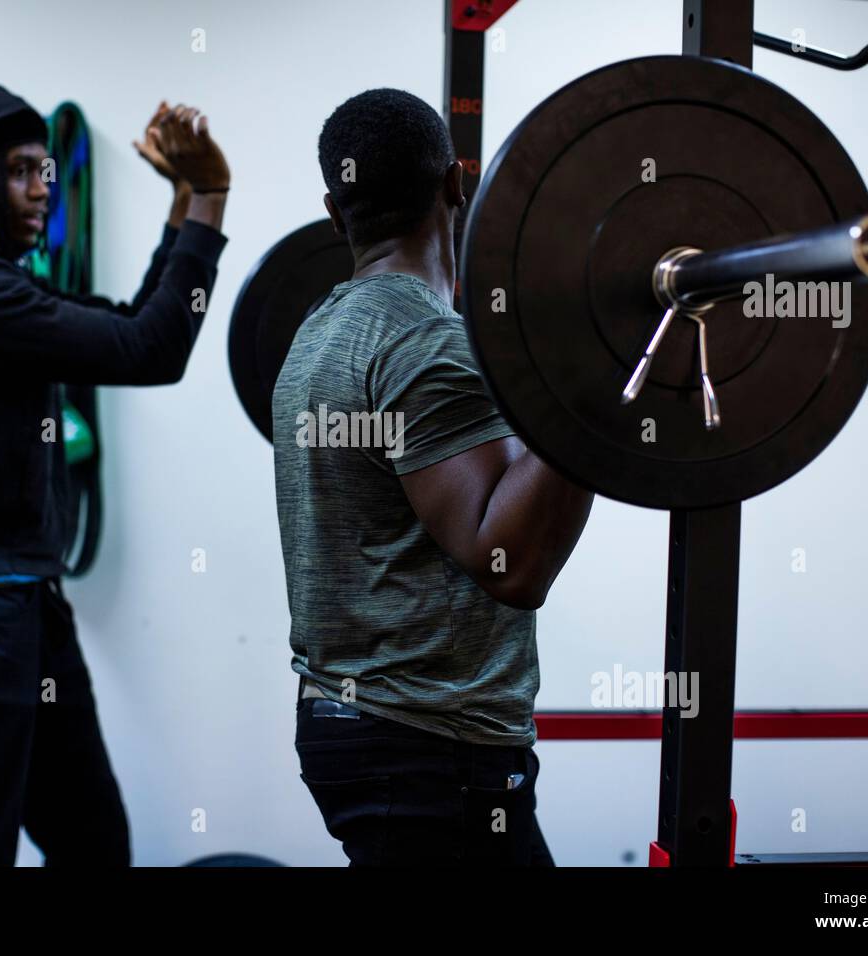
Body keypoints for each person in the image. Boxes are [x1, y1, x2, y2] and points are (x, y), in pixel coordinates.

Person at [0, 75, 230, 865]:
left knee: (93, 844)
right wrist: (210, 192)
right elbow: (157, 351)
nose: (41, 188)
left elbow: (138, 327)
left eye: (43, 168)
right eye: (17, 171)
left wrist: (184, 199)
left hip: (18, 604)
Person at [272, 88, 594, 866]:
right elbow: (509, 565)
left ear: (332, 211)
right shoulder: (422, 343)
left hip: (364, 730)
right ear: (458, 182)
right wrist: (589, 383)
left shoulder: (317, 332)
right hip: (430, 748)